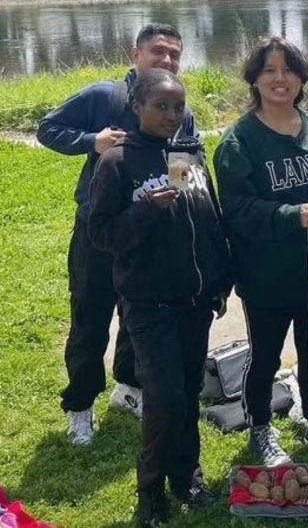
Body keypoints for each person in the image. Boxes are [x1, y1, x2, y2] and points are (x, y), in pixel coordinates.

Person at [36, 23, 196, 446]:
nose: (166, 60)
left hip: (151, 232)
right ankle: (81, 405)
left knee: (136, 313)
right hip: (100, 229)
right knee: (91, 316)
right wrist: (93, 140)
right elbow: (47, 129)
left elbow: (188, 159)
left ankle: (128, 388)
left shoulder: (180, 108)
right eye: (157, 52)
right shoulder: (102, 96)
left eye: (174, 55)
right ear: (135, 54)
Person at [87, 69, 231, 527]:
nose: (171, 115)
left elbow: (212, 223)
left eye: (178, 106)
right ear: (137, 108)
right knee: (164, 397)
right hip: (148, 304)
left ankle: (185, 473)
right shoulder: (118, 162)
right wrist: (145, 211)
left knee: (188, 392)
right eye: (160, 106)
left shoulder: (192, 155)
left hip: (195, 301)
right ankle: (150, 489)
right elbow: (101, 234)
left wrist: (219, 282)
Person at [214, 37, 308, 467]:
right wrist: (291, 215)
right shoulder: (239, 141)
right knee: (265, 354)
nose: (279, 78)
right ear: (254, 78)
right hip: (266, 273)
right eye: (269, 69)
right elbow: (236, 210)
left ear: (302, 76)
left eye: (288, 69)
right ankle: (260, 429)